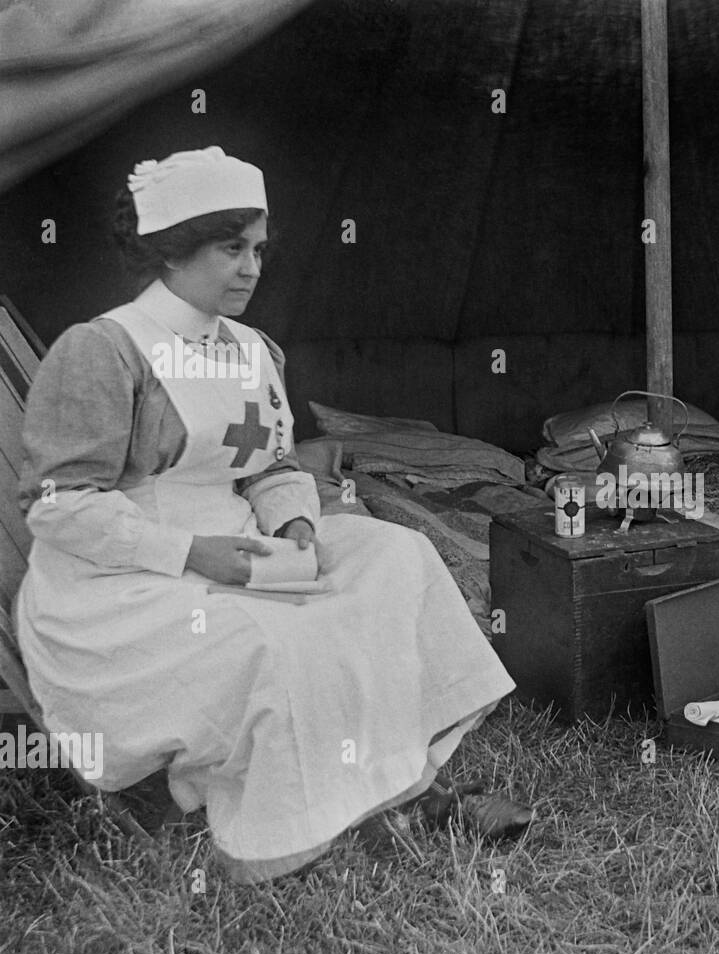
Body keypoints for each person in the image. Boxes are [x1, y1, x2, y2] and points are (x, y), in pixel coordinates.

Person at [16, 147, 530, 880]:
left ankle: (406, 781)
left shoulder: (254, 351)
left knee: (397, 557)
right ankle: (295, 830)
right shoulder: (105, 350)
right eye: (232, 248)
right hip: (118, 579)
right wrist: (195, 553)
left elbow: (274, 466)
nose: (253, 267)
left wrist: (295, 526)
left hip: (241, 543)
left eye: (258, 249)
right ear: (174, 249)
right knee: (275, 637)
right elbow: (59, 508)